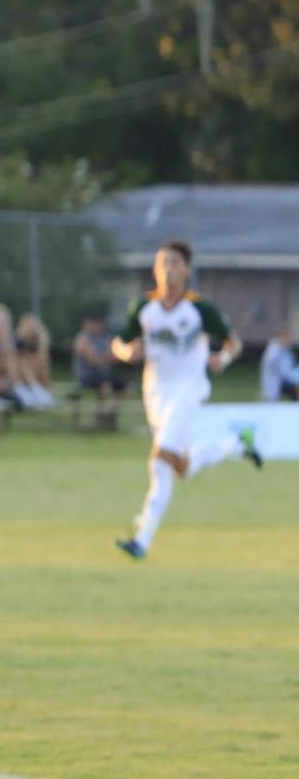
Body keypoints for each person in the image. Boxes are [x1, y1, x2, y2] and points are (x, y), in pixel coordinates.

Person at [111, 239, 259, 560]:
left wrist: (223, 358)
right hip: (156, 394)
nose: (167, 268)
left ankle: (142, 538)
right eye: (162, 262)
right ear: (154, 269)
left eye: (174, 262)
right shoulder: (143, 308)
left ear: (187, 270)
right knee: (180, 466)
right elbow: (119, 343)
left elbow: (233, 343)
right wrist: (127, 352)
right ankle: (237, 444)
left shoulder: (199, 309)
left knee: (159, 463)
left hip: (189, 390)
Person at [72, 313, 126, 431]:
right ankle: (99, 416)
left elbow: (118, 355)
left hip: (103, 373)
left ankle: (112, 415)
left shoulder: (106, 337)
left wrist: (102, 358)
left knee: (123, 385)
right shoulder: (83, 338)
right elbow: (92, 360)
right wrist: (106, 358)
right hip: (87, 375)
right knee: (104, 385)